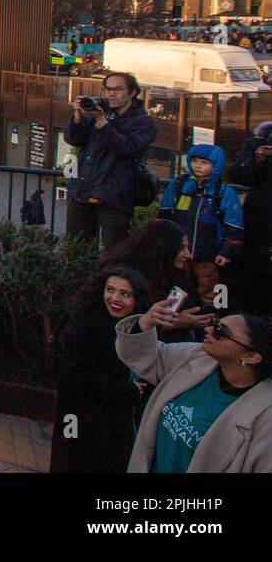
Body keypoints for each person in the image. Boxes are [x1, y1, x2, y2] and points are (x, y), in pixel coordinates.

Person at [116, 302, 272, 472]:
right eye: (214, 324)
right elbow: (143, 357)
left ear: (251, 357)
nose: (209, 330)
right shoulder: (196, 356)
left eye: (220, 332)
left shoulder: (265, 419)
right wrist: (145, 323)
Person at [50, 266, 152, 473]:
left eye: (125, 294)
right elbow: (74, 377)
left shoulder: (136, 329)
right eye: (110, 290)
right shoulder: (85, 327)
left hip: (109, 423)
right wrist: (128, 391)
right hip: (82, 419)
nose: (115, 298)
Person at [63, 72, 158, 251]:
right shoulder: (96, 112)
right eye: (107, 89)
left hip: (115, 196)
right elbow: (73, 139)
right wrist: (78, 117)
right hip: (82, 192)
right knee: (76, 250)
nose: (111, 94)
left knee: (115, 251)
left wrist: (102, 121)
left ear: (132, 92)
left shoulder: (143, 122)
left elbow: (127, 149)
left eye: (118, 89)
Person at [160, 145, 244, 305]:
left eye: (204, 162)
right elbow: (164, 217)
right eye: (195, 160)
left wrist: (226, 252)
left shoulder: (223, 192)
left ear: (216, 165)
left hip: (209, 256)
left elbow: (235, 227)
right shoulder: (178, 185)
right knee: (177, 291)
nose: (198, 165)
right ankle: (180, 325)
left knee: (214, 294)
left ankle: (214, 324)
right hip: (179, 254)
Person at [223, 127, 272, 316]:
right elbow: (237, 174)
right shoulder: (258, 141)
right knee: (256, 282)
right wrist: (257, 159)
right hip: (259, 224)